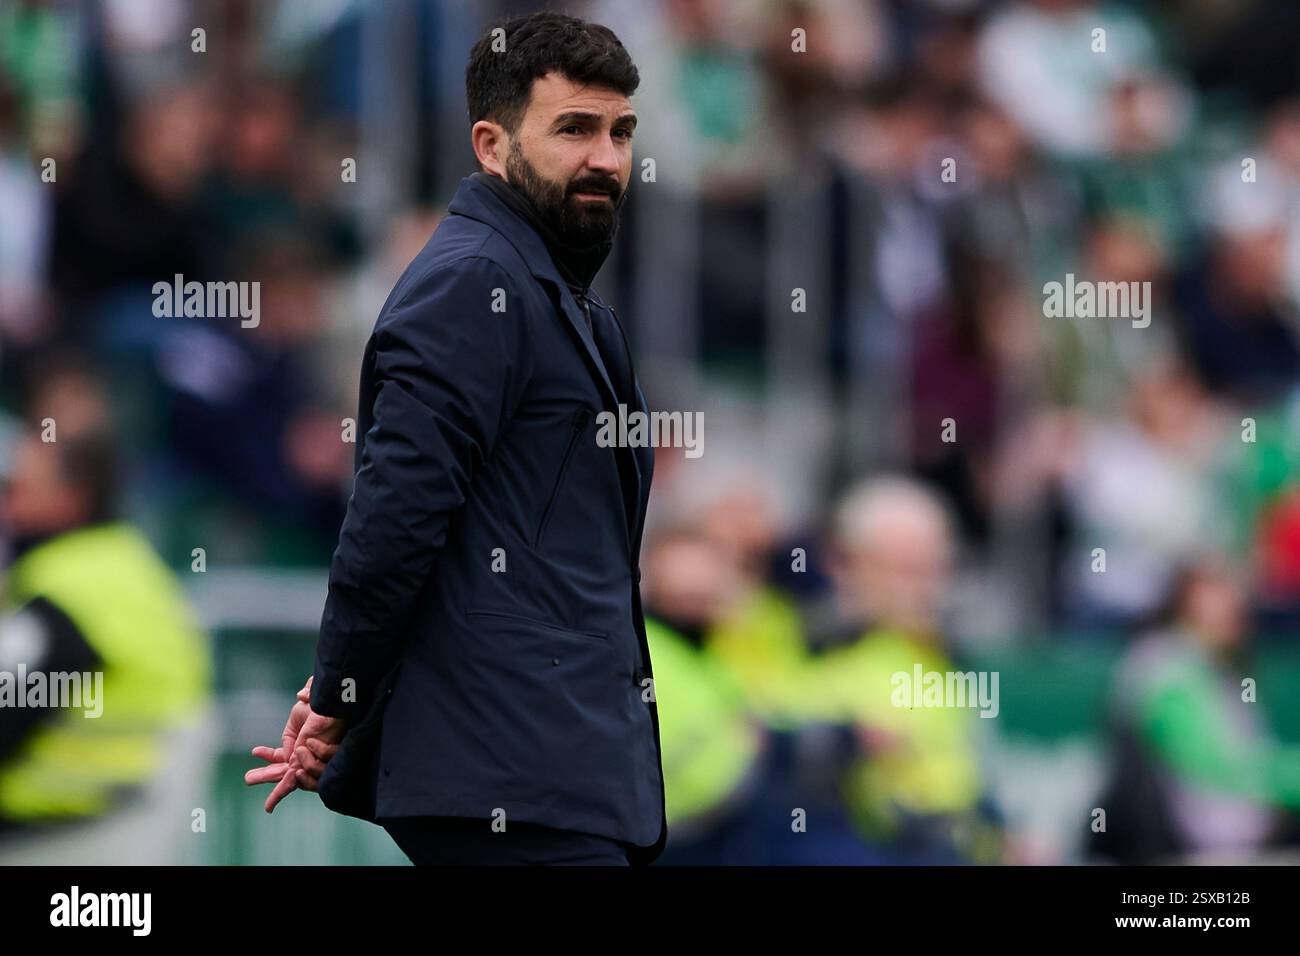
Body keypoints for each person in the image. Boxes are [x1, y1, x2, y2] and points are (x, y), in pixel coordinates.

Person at [245, 11, 666, 866]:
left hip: (554, 776)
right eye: (575, 129)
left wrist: (344, 691)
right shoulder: (477, 282)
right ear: (490, 144)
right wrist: (341, 688)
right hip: (516, 782)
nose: (607, 157)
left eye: (621, 132)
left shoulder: (559, 300)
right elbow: (395, 517)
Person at [0, 427, 210, 838]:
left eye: (21, 489)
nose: (9, 505)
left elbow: (11, 711)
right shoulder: (130, 564)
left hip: (56, 822)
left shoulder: (62, 588)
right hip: (136, 813)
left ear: (70, 497)